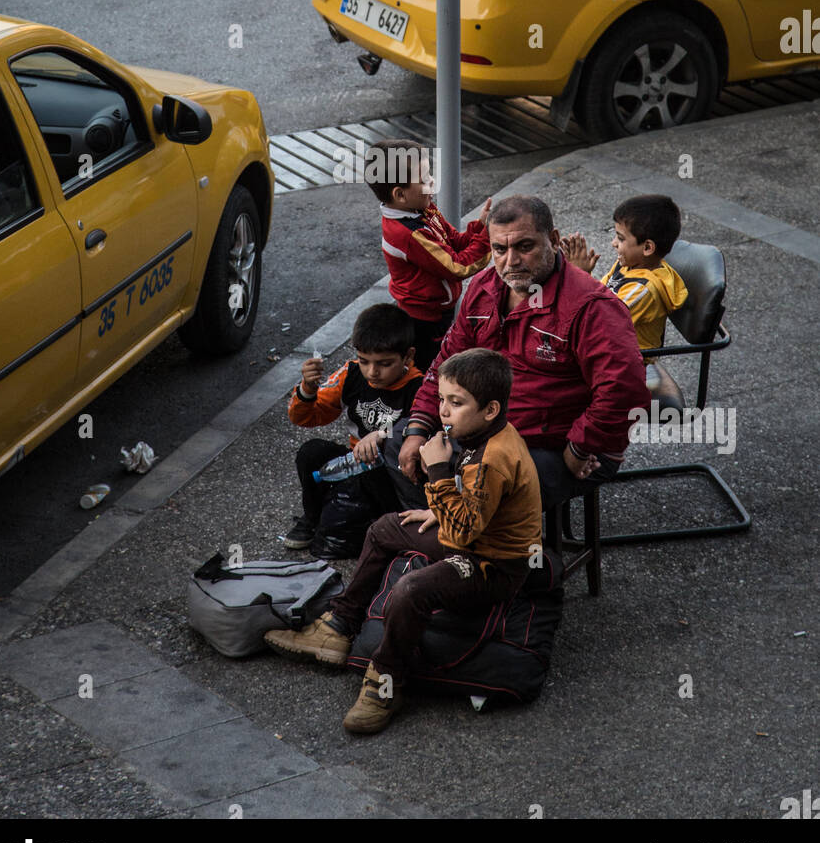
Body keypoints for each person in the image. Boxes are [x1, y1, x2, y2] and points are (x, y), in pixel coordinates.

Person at [264, 348, 541, 735]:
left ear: (491, 409)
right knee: (382, 529)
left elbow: (463, 531)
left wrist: (439, 473)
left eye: (456, 403)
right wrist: (437, 508)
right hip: (470, 534)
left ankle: (386, 681)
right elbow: (470, 507)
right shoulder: (479, 432)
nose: (443, 411)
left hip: (491, 564)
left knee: (411, 589)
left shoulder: (493, 458)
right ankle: (338, 626)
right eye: (442, 399)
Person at [398, 194, 649, 510]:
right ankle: (445, 543)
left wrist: (580, 447)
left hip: (558, 448)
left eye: (524, 247)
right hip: (484, 430)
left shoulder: (593, 308)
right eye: (500, 250)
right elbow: (447, 363)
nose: (510, 261)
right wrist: (419, 425)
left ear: (554, 240)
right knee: (400, 443)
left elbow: (624, 392)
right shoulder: (483, 289)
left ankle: (480, 551)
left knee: (483, 486)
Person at [283, 303, 424, 557]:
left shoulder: (420, 388)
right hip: (353, 461)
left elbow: (428, 433)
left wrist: (382, 436)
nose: (373, 372)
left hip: (390, 474)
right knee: (311, 452)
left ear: (408, 356)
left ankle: (390, 529)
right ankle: (312, 518)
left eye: (384, 363)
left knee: (371, 475)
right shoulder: (350, 374)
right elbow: (306, 417)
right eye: (364, 361)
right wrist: (307, 389)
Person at [364, 137, 492, 372]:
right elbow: (457, 267)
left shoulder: (420, 209)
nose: (432, 182)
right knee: (432, 369)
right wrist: (488, 239)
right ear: (400, 195)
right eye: (424, 179)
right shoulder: (410, 234)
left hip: (437, 307)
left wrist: (478, 229)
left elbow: (453, 243)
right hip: (425, 320)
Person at [560, 195, 688, 351]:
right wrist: (583, 276)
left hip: (623, 363)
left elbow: (593, 324)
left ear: (647, 248)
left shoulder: (642, 290)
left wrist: (579, 276)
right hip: (606, 345)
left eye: (620, 238)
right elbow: (598, 298)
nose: (613, 243)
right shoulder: (628, 265)